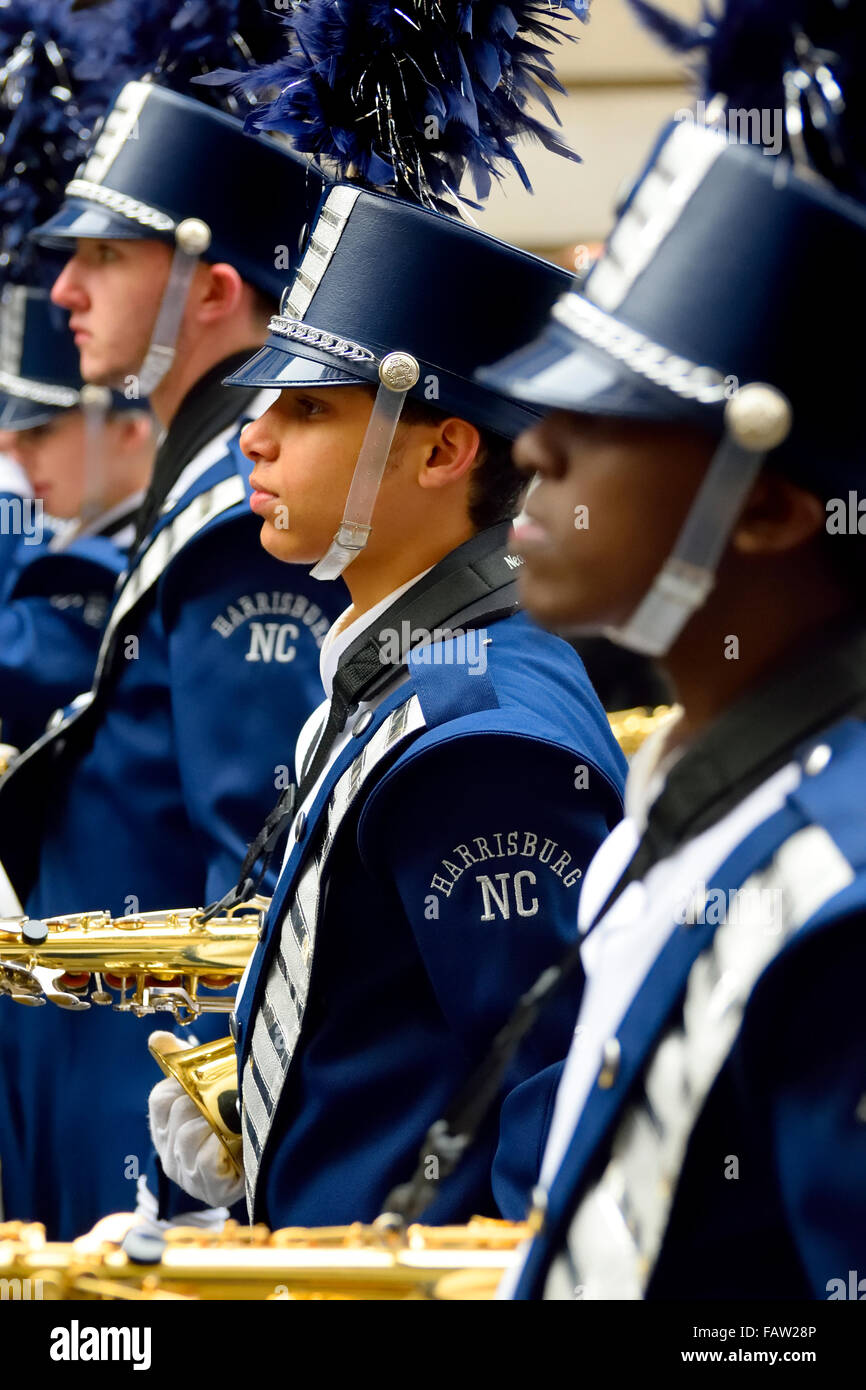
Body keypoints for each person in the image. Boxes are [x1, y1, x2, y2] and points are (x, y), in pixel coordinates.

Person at [470, 0, 866, 1299]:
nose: (533, 447)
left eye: (610, 411)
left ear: (766, 504)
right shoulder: (710, 779)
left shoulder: (837, 893)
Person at [147, 170, 629, 1230]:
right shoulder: (414, 668)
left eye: (308, 407)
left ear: (445, 450)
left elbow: (549, 1107)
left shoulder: (478, 737)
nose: (252, 438)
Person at [0, 78, 346, 1240]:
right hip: (101, 1073)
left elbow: (247, 864)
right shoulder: (199, 483)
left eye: (102, 252)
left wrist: (214, 1146)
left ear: (211, 289)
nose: (63, 289)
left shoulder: (245, 514)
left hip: (157, 1109)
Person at [0, 282, 154, 753]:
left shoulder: (116, 560)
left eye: (40, 431)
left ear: (129, 430)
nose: (10, 448)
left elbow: (21, 658)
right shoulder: (61, 525)